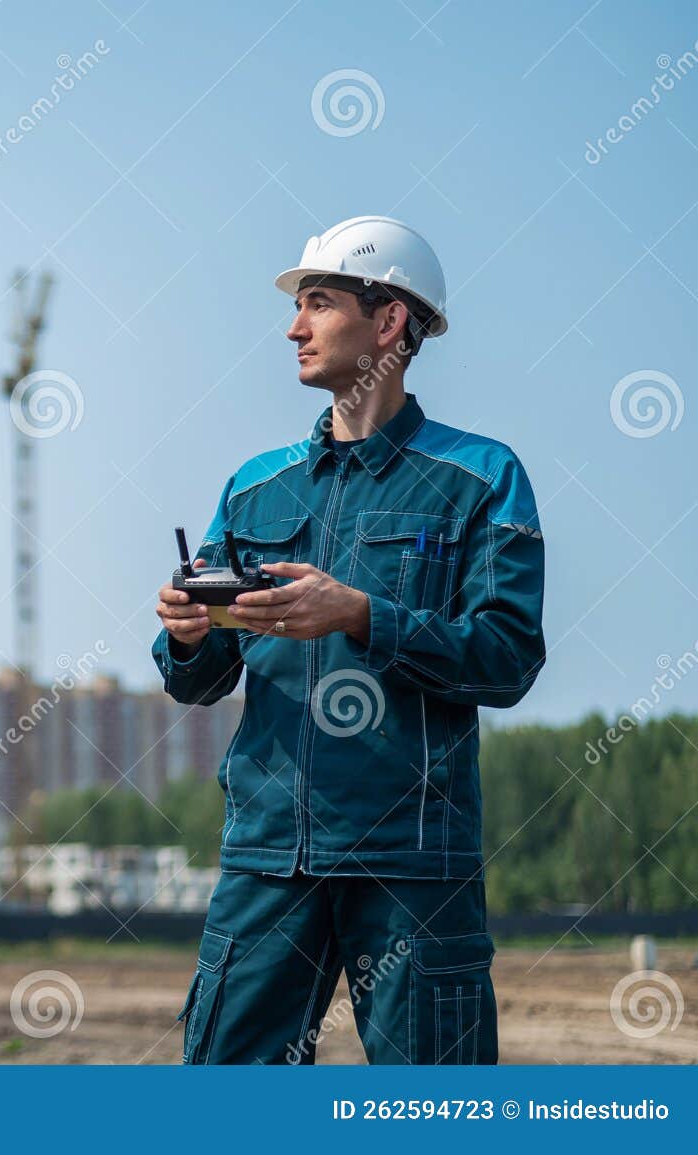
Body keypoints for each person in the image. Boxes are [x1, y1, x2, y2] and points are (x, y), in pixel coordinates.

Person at [152, 215, 546, 1065]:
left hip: (411, 859)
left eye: (319, 303)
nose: (294, 326)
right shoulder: (254, 488)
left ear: (389, 321)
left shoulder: (482, 478)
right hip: (268, 855)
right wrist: (189, 635)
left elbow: (510, 657)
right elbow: (201, 678)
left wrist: (362, 615)